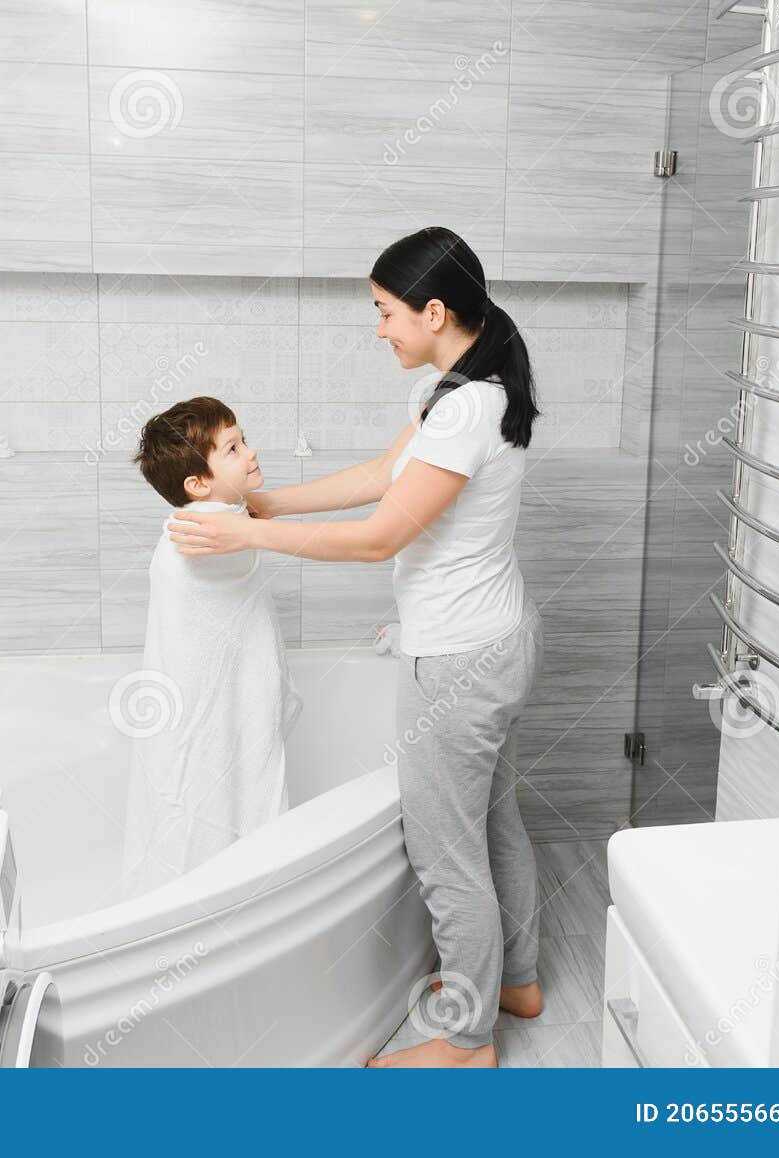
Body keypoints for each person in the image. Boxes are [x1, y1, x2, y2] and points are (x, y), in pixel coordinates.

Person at [165, 226, 546, 1067]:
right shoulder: (465, 386)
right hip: (500, 636)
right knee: (494, 822)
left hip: (458, 659)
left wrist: (248, 537)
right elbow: (382, 476)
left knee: (445, 849)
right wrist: (272, 505)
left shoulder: (464, 409)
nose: (379, 329)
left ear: (433, 312)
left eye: (385, 312)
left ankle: (465, 1041)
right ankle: (516, 980)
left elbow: (379, 537)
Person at [117, 397, 301, 899]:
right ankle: (220, 893)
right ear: (198, 485)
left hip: (203, 709)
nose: (250, 452)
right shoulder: (203, 533)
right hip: (206, 714)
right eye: (233, 448)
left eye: (244, 440)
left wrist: (255, 516)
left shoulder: (216, 518)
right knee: (212, 795)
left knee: (213, 793)